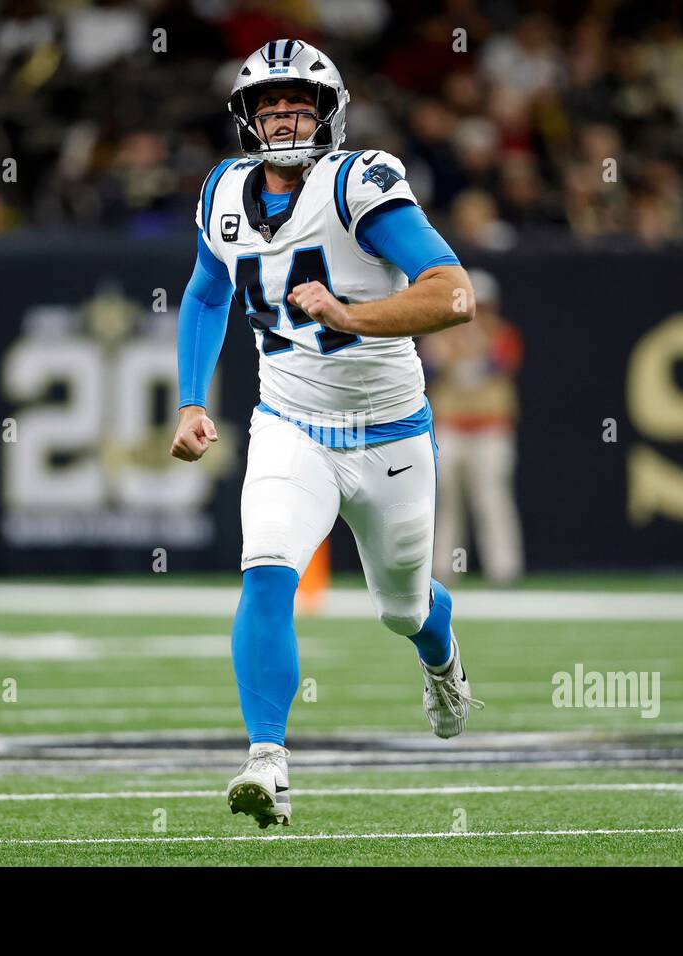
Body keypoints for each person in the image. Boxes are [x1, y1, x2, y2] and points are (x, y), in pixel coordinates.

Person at [170, 40, 484, 829]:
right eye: (269, 105)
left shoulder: (359, 183)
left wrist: (355, 315)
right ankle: (266, 759)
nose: (283, 118)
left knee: (402, 607)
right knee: (266, 570)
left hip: (389, 434)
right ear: (247, 118)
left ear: (329, 114)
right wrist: (191, 399)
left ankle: (441, 655)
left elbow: (454, 295)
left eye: (298, 104)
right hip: (290, 426)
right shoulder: (223, 191)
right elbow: (206, 294)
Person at [422, 269, 525, 586]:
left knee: (492, 499)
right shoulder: (440, 333)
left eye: (485, 306)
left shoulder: (503, 334)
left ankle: (503, 570)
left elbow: (497, 365)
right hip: (450, 428)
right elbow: (428, 368)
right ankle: (444, 569)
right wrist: (451, 348)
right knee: (446, 501)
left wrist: (470, 350)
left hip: (490, 429)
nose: (478, 313)